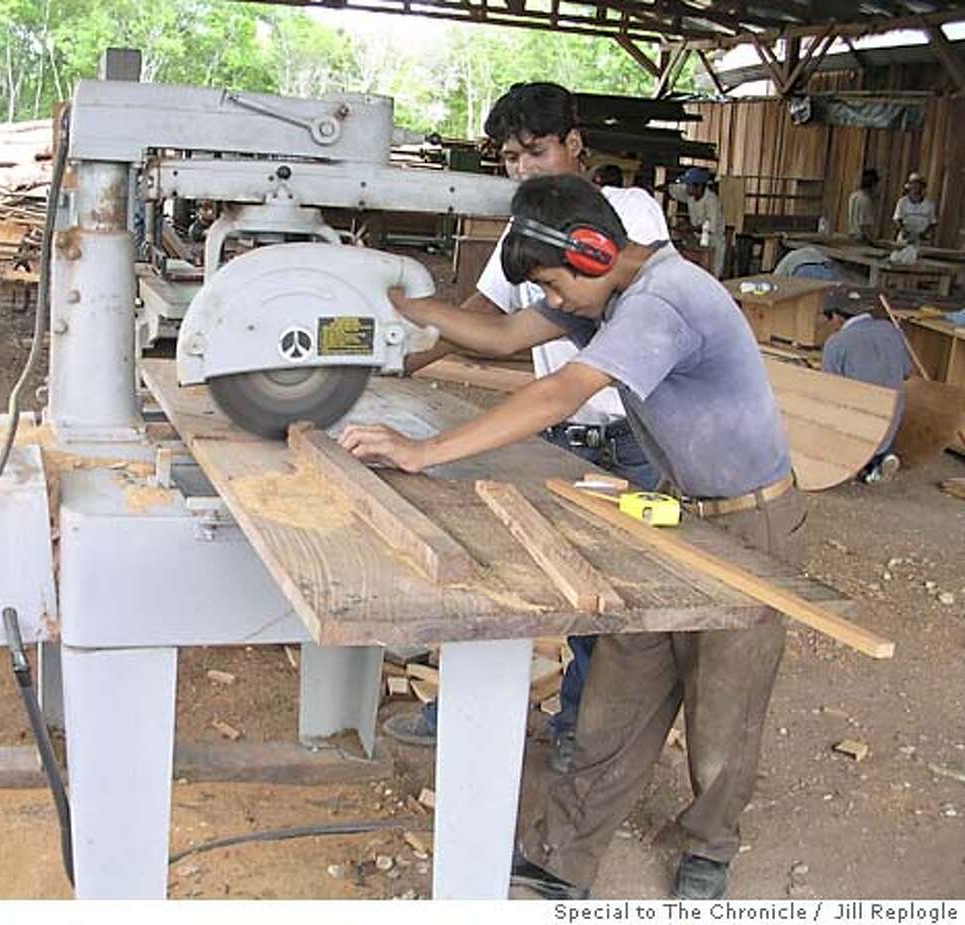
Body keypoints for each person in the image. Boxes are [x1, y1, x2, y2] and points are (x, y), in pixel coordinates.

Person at [341, 173, 805, 901]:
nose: (554, 304)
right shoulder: (608, 294)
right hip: (676, 509)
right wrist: (393, 300)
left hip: (751, 520)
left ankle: (709, 846)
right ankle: (566, 851)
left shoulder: (664, 300)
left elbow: (561, 390)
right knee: (621, 689)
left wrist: (423, 452)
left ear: (593, 252)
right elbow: (497, 335)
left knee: (724, 700)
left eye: (556, 286)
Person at [384, 82, 668, 762]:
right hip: (557, 437)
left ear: (574, 142)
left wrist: (426, 444)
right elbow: (486, 318)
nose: (521, 169)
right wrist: (399, 360)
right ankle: (469, 709)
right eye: (509, 157)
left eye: (535, 151)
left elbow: (554, 352)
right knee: (508, 578)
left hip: (624, 438)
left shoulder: (627, 212)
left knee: (607, 602)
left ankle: (578, 734)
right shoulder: (525, 227)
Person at [821, 303, 912, 482]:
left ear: (837, 316)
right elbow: (907, 371)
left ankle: (861, 464)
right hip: (891, 415)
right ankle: (882, 457)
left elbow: (829, 388)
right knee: (882, 426)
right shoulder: (891, 331)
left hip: (857, 422)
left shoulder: (837, 341)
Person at [676, 166, 726, 278]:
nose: (686, 188)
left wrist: (689, 228)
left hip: (713, 244)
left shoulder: (712, 201)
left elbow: (709, 227)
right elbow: (673, 190)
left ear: (698, 186)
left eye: (688, 186)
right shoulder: (691, 197)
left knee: (711, 279)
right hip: (698, 241)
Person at [893, 172, 937, 244]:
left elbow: (932, 223)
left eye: (917, 184)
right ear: (909, 186)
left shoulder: (929, 205)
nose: (915, 187)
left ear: (922, 187)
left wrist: (923, 234)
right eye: (913, 184)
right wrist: (905, 232)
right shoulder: (902, 202)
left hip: (922, 239)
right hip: (905, 238)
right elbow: (897, 219)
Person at [847, 169, 879, 241]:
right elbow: (864, 226)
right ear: (873, 185)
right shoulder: (865, 200)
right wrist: (874, 241)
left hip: (851, 235)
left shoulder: (853, 196)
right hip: (861, 239)